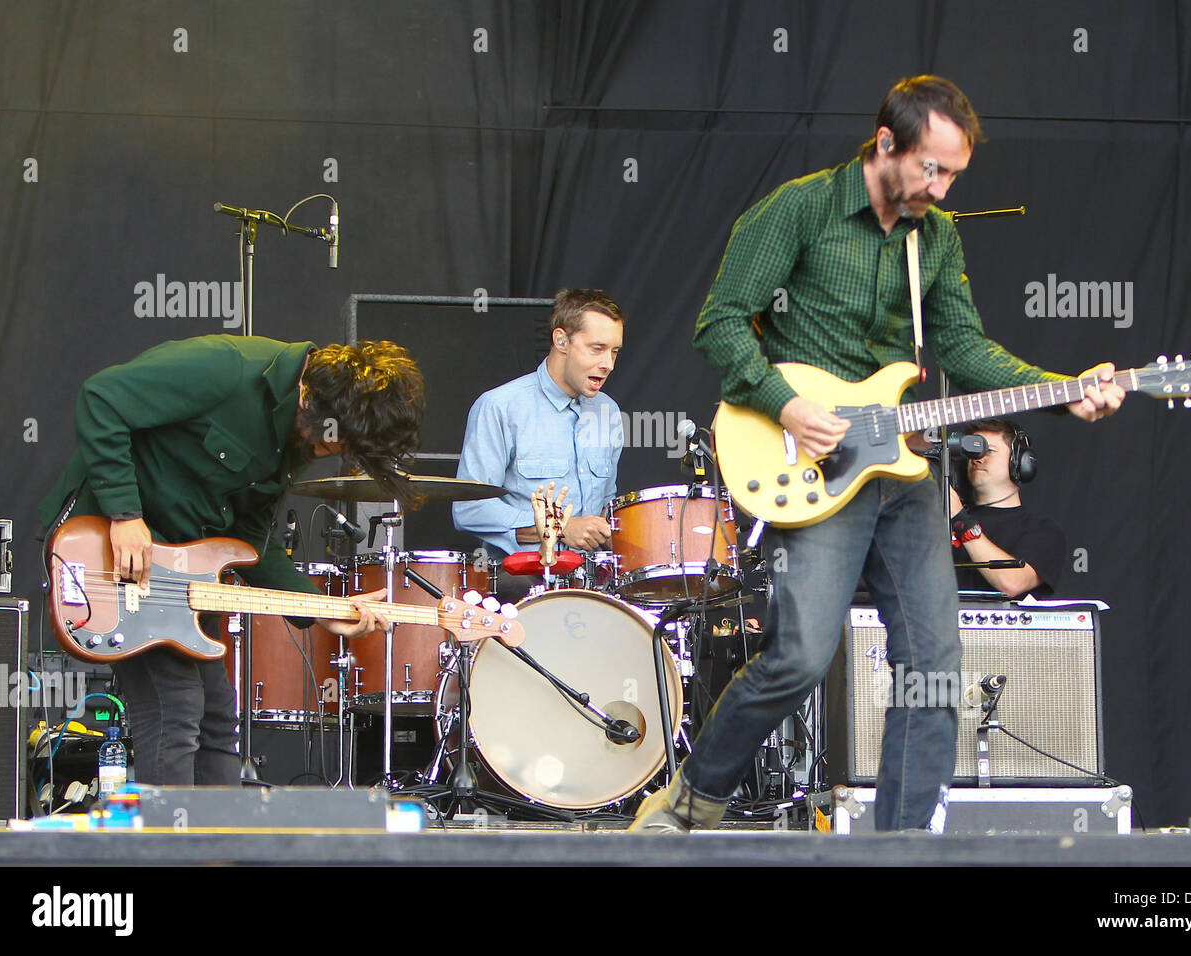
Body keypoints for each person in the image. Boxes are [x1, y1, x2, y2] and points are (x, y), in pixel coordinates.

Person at [631, 75, 1125, 833]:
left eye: (955, 172)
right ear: (885, 143)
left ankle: (898, 846)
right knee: (797, 659)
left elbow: (962, 344)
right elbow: (722, 321)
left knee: (933, 669)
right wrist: (785, 403)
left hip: (906, 475)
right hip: (811, 464)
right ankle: (696, 797)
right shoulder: (801, 209)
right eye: (931, 167)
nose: (942, 185)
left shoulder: (938, 235)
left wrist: (1065, 388)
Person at [39, 335, 426, 786]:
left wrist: (322, 609)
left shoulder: (301, 433)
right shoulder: (225, 369)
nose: (329, 453)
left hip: (181, 577)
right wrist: (125, 513)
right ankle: (165, 850)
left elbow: (247, 540)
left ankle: (215, 849)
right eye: (332, 444)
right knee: (176, 709)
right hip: (103, 548)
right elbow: (101, 398)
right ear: (310, 398)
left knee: (217, 721)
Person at [453, 289, 625, 595]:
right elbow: (470, 509)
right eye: (596, 349)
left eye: (614, 352)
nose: (608, 363)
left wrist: (612, 529)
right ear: (561, 341)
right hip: (517, 584)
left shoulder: (608, 411)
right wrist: (558, 527)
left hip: (593, 585)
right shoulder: (499, 406)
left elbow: (606, 503)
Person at [948, 419, 1066, 599]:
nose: (978, 458)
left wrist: (960, 520)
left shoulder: (1043, 531)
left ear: (1019, 460)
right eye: (972, 451)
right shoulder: (940, 520)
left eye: (989, 451)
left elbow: (1012, 582)